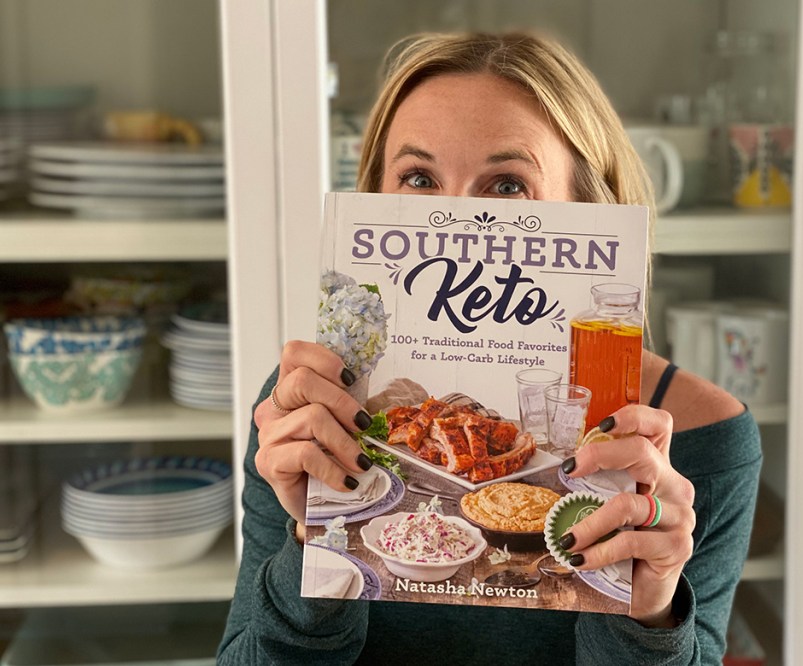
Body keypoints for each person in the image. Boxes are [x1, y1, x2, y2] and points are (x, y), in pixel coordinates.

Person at [217, 31, 761, 665]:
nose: (456, 226)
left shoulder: (707, 441)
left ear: (592, 210)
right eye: (418, 177)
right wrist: (314, 540)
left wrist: (648, 610)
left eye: (506, 186)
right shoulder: (313, 416)